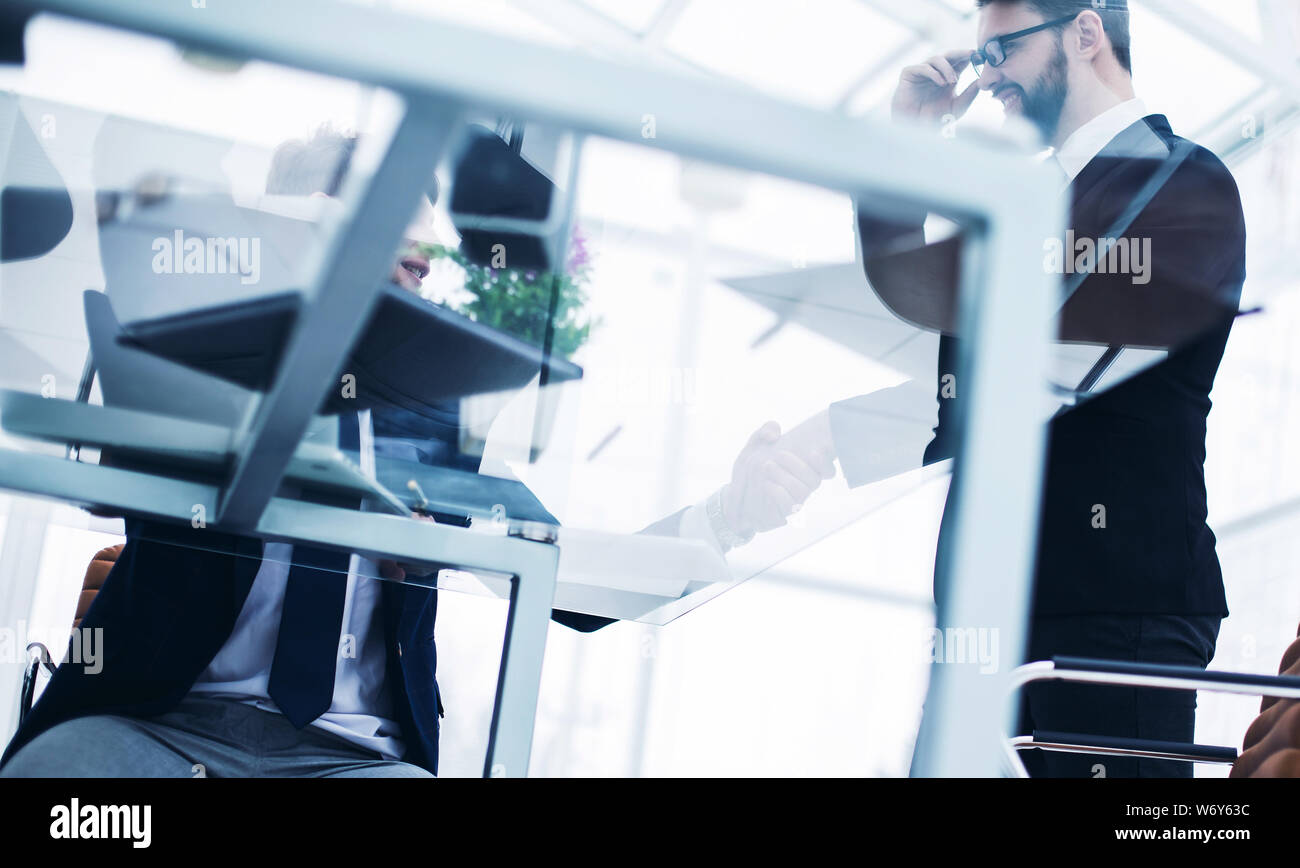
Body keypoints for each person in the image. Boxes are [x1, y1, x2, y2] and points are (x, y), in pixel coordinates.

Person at [0, 127, 832, 777]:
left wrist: (730, 516)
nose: (415, 291)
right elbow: (101, 483)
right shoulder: (196, 372)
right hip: (157, 733)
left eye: (422, 272)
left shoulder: (435, 435)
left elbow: (572, 580)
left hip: (350, 761)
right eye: (392, 262)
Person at [792, 0, 1245, 777]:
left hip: (1114, 608)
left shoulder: (1185, 178)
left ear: (1086, 32)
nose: (984, 75)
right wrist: (907, 150)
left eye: (1000, 49)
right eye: (979, 56)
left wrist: (837, 433)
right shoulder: (1013, 207)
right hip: (983, 606)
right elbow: (916, 323)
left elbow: (1052, 359)